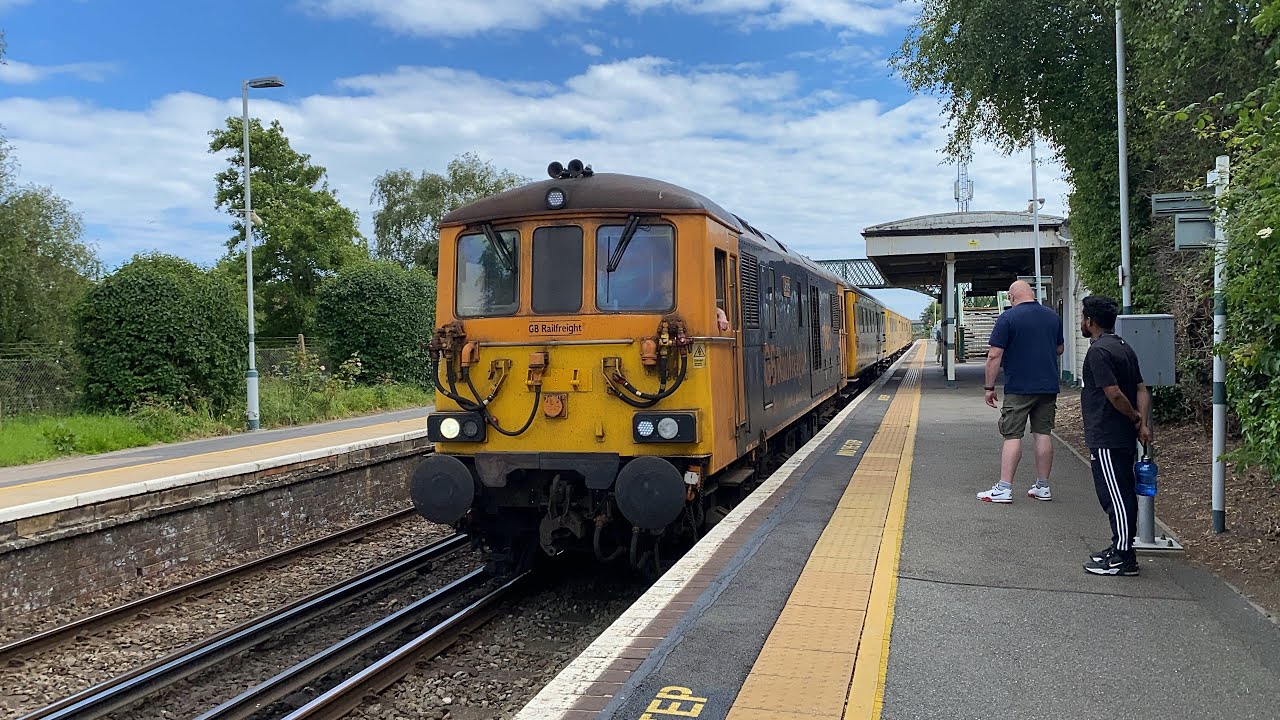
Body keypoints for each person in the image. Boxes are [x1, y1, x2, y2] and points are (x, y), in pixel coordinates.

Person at [1078, 295, 1150, 576]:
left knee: (1114, 496)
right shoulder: (1123, 346)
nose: (1082, 322)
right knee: (1122, 490)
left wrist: (1132, 415)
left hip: (1106, 433)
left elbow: (1114, 393)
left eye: (1084, 317)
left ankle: (1123, 556)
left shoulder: (1098, 352)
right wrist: (1142, 423)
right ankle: (1120, 546)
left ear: (1090, 321)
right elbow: (1141, 387)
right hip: (1122, 435)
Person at [977, 280, 1064, 503]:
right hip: (1047, 386)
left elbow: (994, 355)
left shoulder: (1008, 318)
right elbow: (1059, 348)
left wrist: (989, 387)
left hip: (1019, 387)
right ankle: (1043, 486)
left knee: (1012, 434)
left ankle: (1004, 488)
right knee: (1043, 433)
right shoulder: (1052, 316)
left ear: (1012, 297)